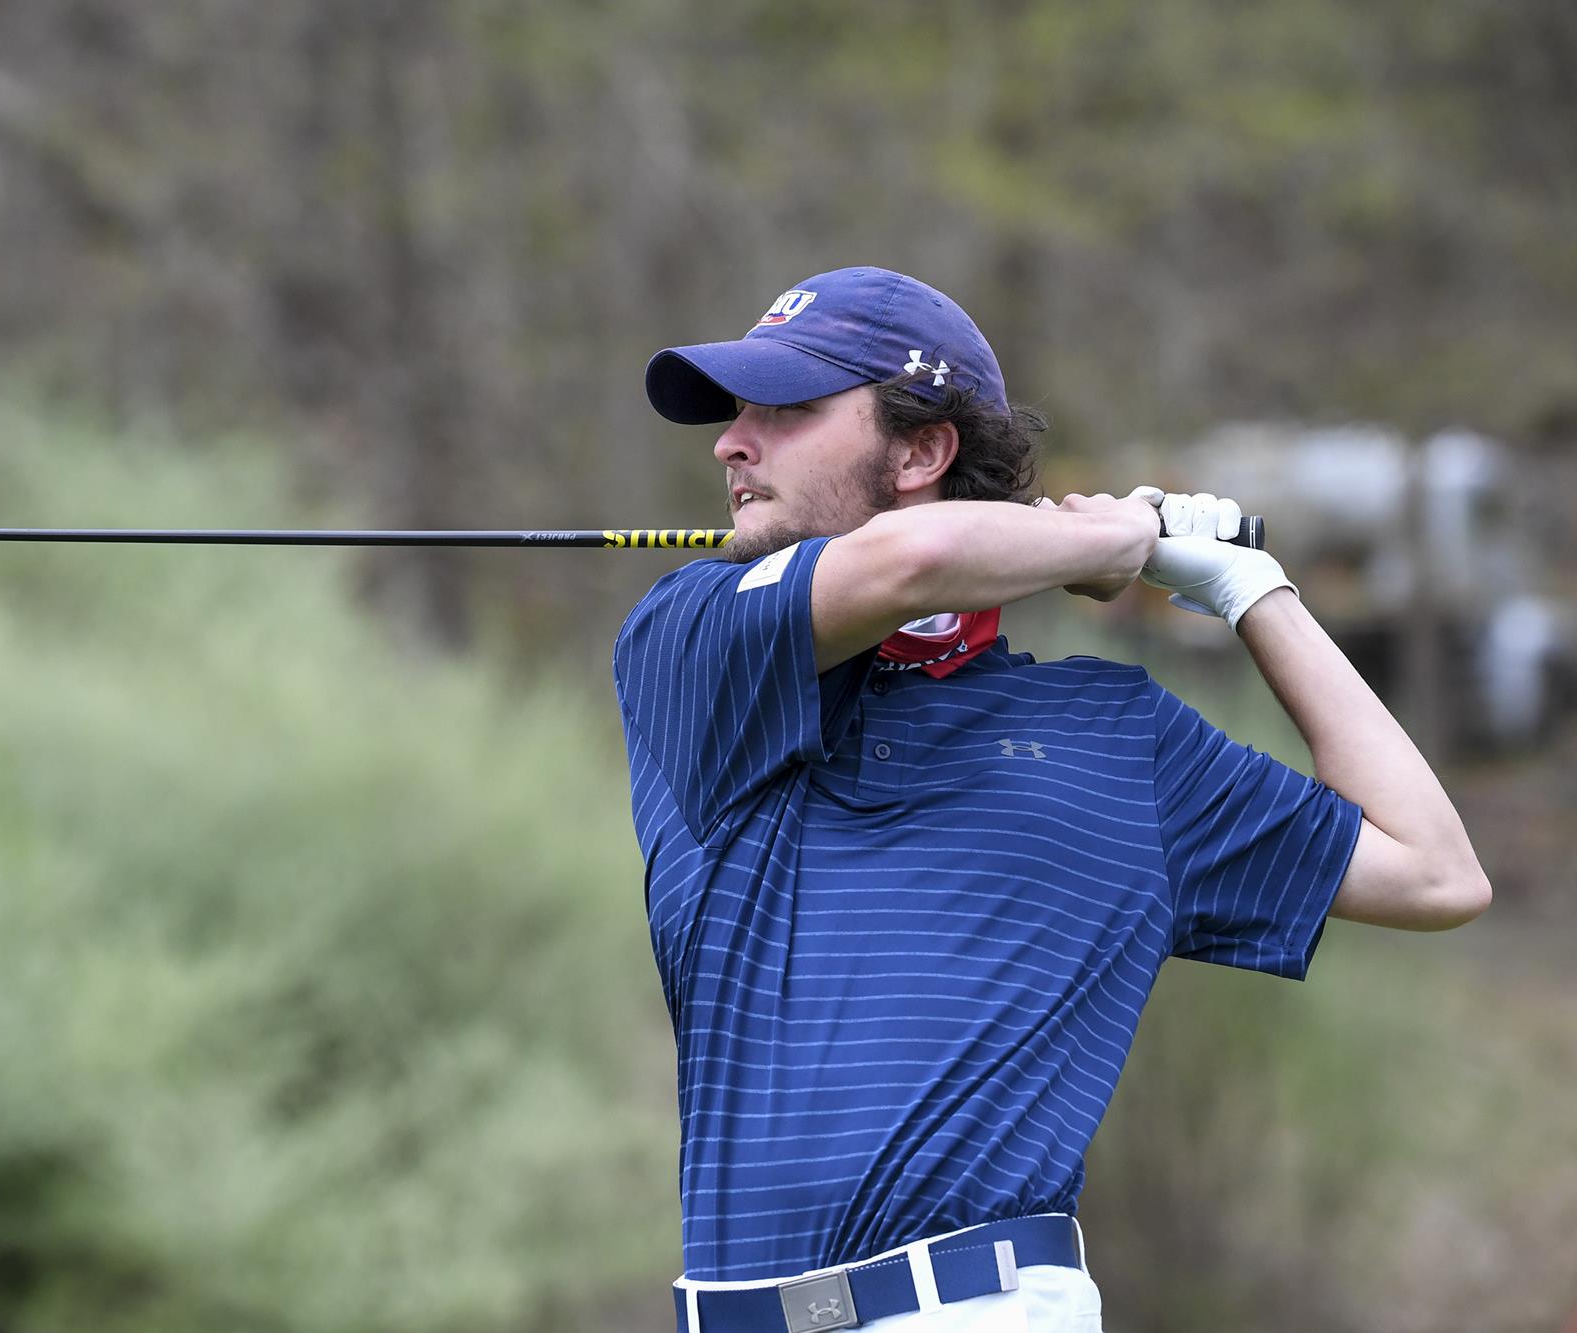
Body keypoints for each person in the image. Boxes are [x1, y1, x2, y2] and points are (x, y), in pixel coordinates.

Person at [612, 266, 1490, 1333]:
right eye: (733, 412)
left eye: (784, 409)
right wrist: (1109, 539)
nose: (730, 442)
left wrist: (1255, 595)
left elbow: (1434, 869)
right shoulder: (687, 644)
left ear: (920, 449)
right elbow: (918, 557)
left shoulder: (1118, 738)